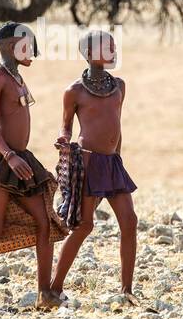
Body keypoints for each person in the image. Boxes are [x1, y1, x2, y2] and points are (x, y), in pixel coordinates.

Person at [0, 22, 69, 309]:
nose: (33, 52)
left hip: (23, 157)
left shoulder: (17, 78)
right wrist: (9, 155)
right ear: (12, 46)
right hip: (1, 159)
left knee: (45, 221)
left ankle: (44, 293)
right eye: (28, 46)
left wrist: (19, 155)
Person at [50, 30, 139, 303]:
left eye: (114, 46)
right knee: (84, 225)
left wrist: (118, 156)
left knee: (129, 221)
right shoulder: (74, 91)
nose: (113, 50)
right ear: (89, 53)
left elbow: (118, 125)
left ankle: (126, 291)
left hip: (112, 164)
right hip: (87, 162)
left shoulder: (119, 86)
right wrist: (63, 139)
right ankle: (54, 287)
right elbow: (66, 126)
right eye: (107, 47)